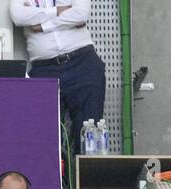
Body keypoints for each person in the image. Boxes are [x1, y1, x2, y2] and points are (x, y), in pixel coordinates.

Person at [11, 0, 106, 152]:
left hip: (82, 62)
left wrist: (43, 26)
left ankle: (86, 175)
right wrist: (59, 11)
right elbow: (18, 16)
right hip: (44, 69)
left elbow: (81, 13)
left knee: (90, 131)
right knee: (44, 136)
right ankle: (55, 176)